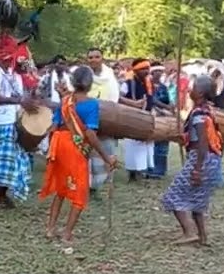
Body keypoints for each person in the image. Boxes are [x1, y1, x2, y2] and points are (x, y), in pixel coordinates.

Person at [40, 66, 117, 242]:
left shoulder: (66, 101)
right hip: (75, 147)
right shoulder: (91, 104)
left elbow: (54, 126)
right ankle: (67, 233)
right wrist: (107, 157)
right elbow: (90, 133)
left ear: (73, 82)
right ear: (90, 84)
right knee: (80, 190)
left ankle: (50, 229)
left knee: (61, 189)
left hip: (59, 144)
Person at [160, 74, 224, 246]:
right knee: (198, 199)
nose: (190, 90)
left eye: (194, 88)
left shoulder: (198, 114)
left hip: (201, 159)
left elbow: (203, 141)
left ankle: (189, 232)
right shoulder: (208, 111)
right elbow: (204, 139)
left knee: (172, 197)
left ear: (201, 93)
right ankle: (202, 237)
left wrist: (197, 169)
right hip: (212, 160)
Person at [0, 39, 31, 207]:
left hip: (10, 122)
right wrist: (17, 100)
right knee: (2, 163)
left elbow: (19, 96)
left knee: (11, 162)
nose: (7, 60)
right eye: (4, 57)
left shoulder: (12, 74)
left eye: (9, 57)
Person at [85, 47, 119, 191]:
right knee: (86, 154)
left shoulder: (109, 76)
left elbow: (114, 98)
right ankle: (86, 185)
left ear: (102, 59)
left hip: (106, 120)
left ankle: (101, 184)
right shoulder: (83, 76)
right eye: (91, 57)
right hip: (86, 121)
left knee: (105, 151)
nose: (93, 60)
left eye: (96, 57)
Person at [119, 58, 155, 182]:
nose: (146, 71)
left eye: (147, 69)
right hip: (132, 118)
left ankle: (142, 171)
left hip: (147, 117)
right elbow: (119, 98)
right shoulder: (128, 83)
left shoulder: (148, 83)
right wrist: (134, 104)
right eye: (143, 69)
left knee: (145, 146)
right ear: (136, 70)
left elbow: (151, 99)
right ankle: (132, 173)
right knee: (133, 147)